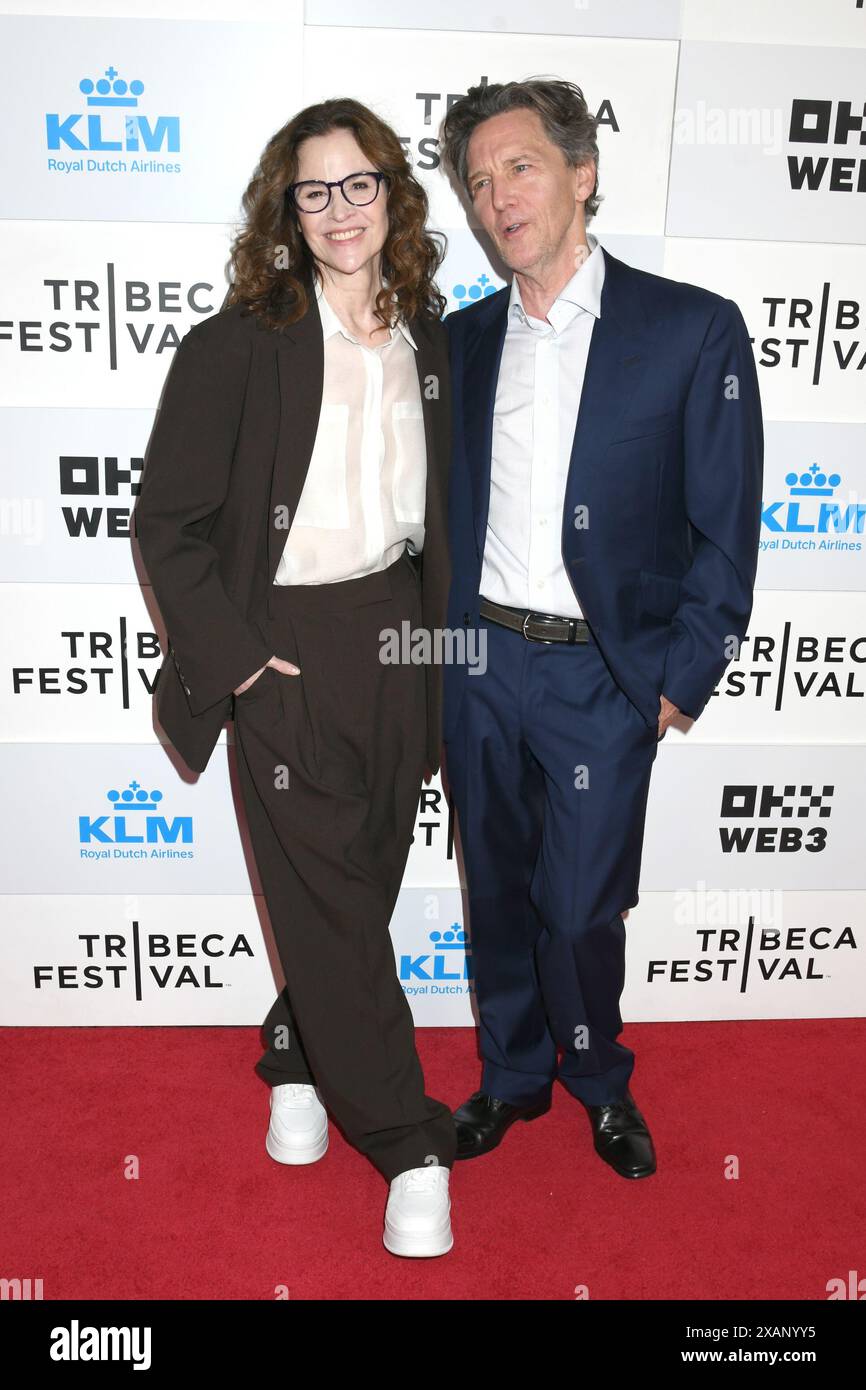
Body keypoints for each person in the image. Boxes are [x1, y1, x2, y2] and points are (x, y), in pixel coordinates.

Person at [135, 97, 457, 1256]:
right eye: (312, 190)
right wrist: (237, 659)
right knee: (326, 889)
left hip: (399, 642)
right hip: (280, 645)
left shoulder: (435, 342)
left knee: (356, 883)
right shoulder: (237, 344)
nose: (337, 209)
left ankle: (295, 1050)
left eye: (357, 183)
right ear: (287, 207)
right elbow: (168, 524)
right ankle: (408, 1141)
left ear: (392, 193)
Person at [439, 78, 763, 1175]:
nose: (495, 199)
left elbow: (723, 529)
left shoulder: (688, 329)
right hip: (479, 661)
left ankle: (596, 1079)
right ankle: (508, 1075)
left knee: (579, 907)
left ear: (581, 174)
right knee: (494, 885)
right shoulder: (462, 342)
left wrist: (682, 675)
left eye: (518, 167)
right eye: (477, 183)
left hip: (602, 678)